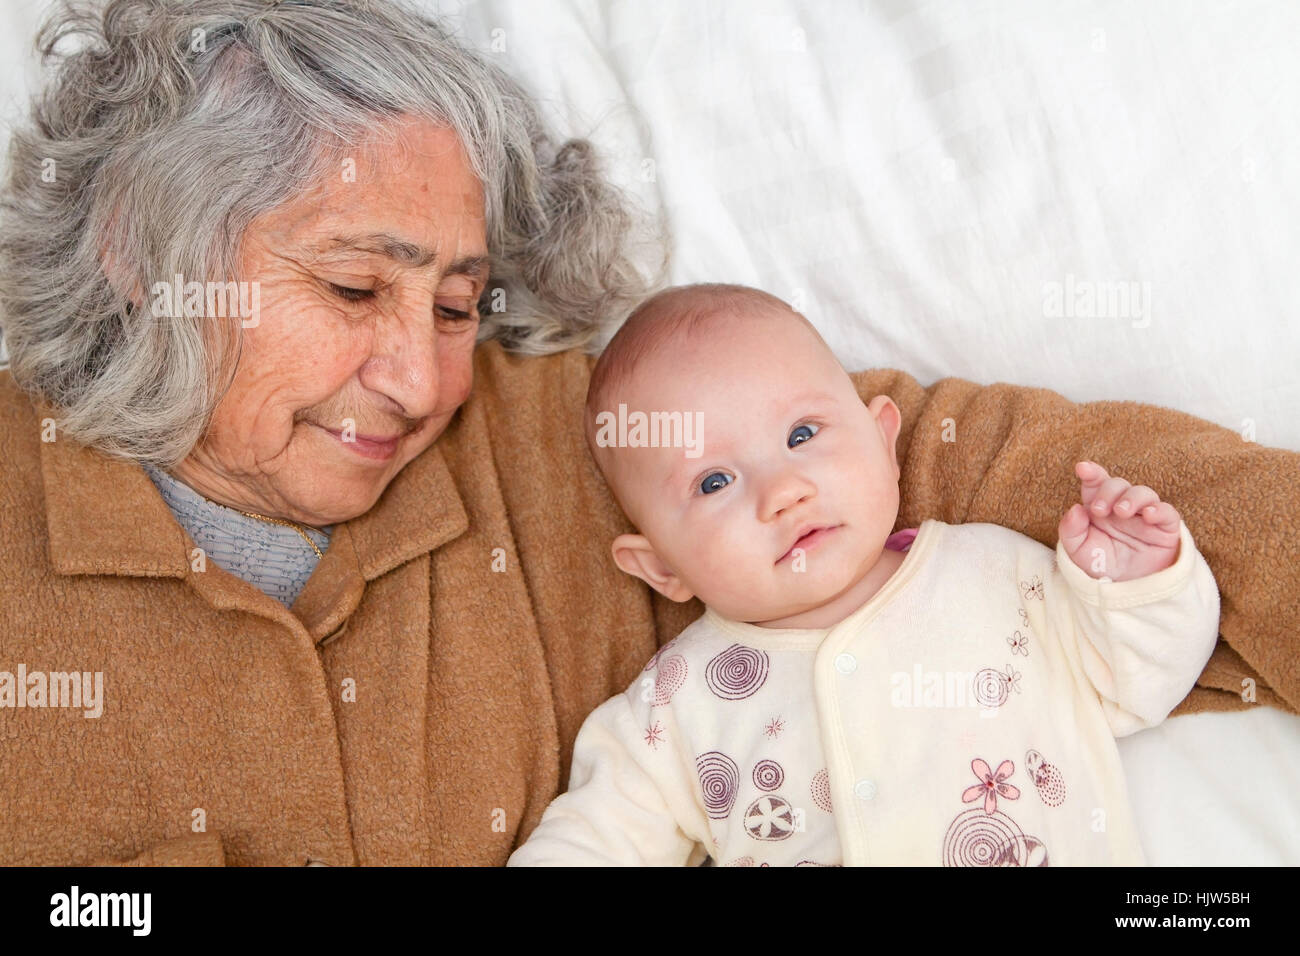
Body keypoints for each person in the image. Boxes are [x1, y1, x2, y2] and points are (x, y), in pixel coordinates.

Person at [0, 0, 1292, 866]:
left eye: (458, 302)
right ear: (142, 250)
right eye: (351, 289)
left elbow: (975, 471)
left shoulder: (617, 438)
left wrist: (1137, 565)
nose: (414, 377)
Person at [508, 284, 1220, 866]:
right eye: (715, 481)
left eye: (801, 435)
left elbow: (1143, 678)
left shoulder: (997, 575)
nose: (782, 491)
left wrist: (1137, 580)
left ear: (885, 442)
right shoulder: (674, 706)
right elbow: (594, 841)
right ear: (660, 565)